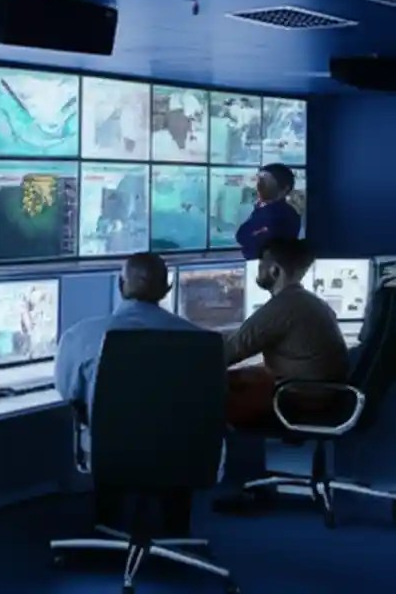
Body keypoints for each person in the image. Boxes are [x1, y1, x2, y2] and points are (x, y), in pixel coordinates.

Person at [54, 252, 204, 535]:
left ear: (120, 286)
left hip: (111, 450)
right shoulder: (200, 340)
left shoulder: (82, 336)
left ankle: (107, 530)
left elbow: (68, 396)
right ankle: (177, 534)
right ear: (167, 288)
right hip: (182, 451)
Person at [225, 238, 348, 429]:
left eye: (261, 265)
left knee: (209, 394)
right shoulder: (308, 302)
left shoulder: (283, 307)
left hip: (299, 400)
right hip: (321, 393)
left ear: (275, 271)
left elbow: (229, 351)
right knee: (239, 376)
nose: (258, 270)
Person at [235, 164, 302, 260]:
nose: (259, 186)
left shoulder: (284, 214)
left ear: (284, 188)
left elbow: (250, 240)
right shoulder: (263, 209)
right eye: (259, 181)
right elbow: (242, 235)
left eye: (266, 182)